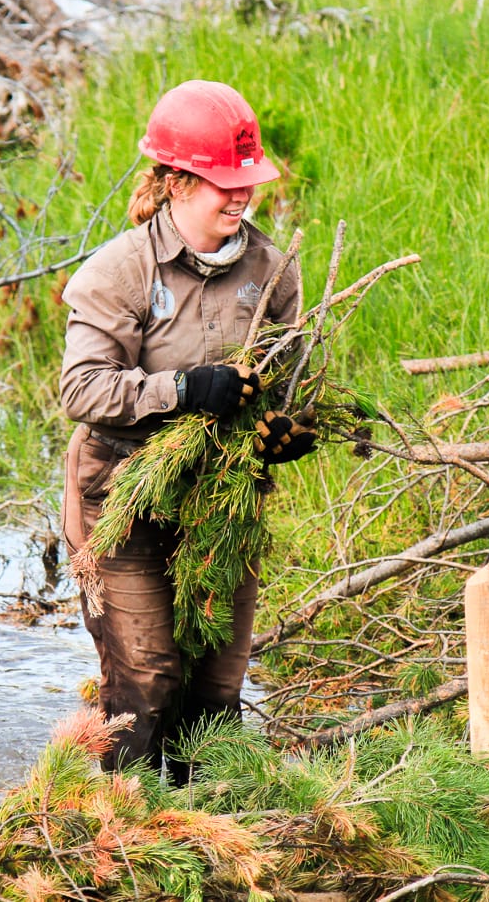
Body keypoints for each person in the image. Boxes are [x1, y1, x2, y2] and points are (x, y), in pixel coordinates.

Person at [59, 79, 315, 778]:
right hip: (123, 499)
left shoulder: (272, 270)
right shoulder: (121, 270)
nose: (239, 197)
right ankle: (126, 836)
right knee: (147, 679)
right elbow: (80, 388)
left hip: (221, 502)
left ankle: (211, 839)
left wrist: (289, 432)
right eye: (219, 185)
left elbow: (292, 383)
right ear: (174, 183)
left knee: (214, 687)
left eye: (247, 185)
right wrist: (184, 389)